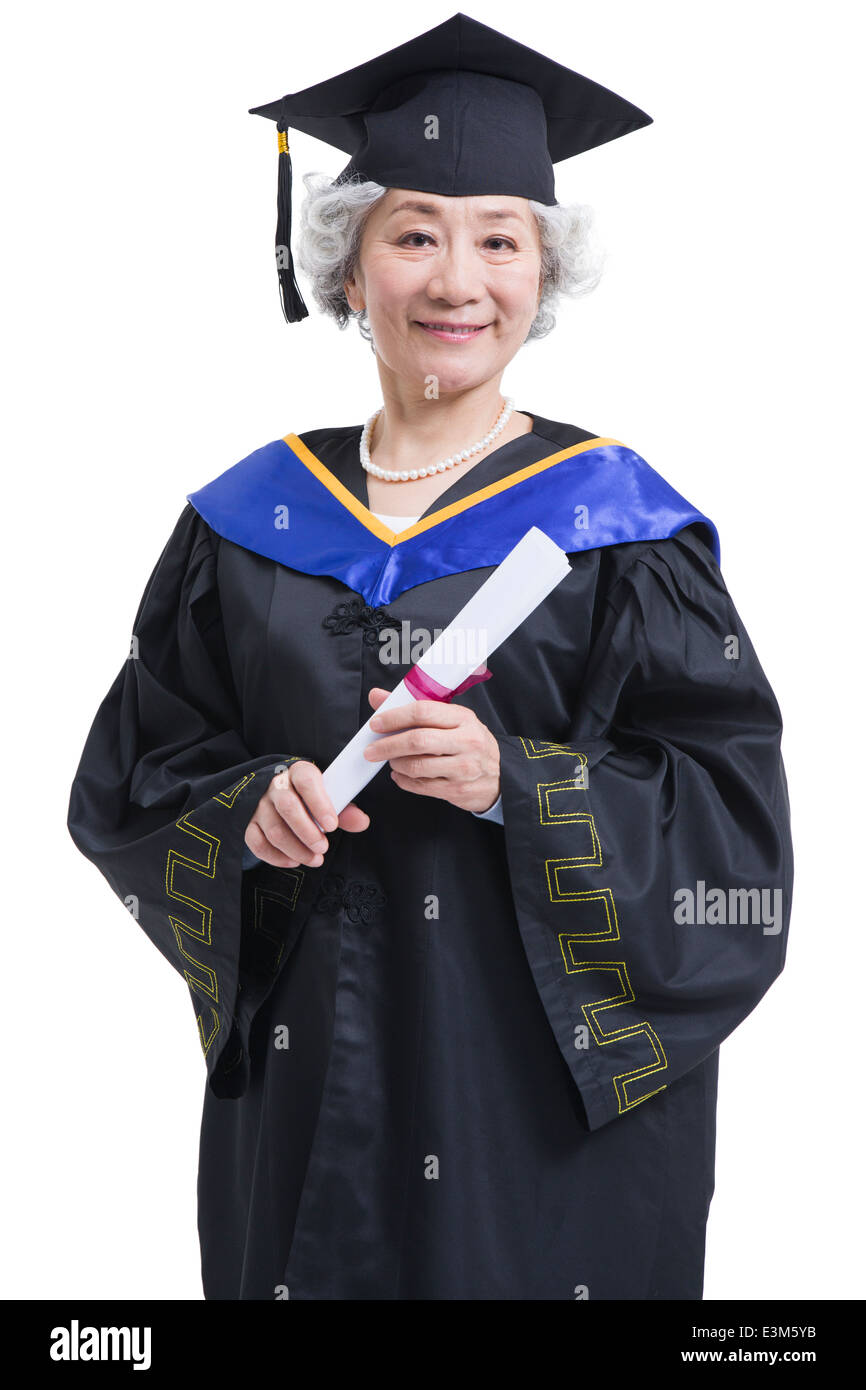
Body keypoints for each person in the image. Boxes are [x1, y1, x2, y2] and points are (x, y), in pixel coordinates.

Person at [67, 12, 793, 1300]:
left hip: (542, 1129)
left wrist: (517, 785)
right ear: (347, 267)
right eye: (414, 233)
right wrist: (249, 814)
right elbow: (133, 782)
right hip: (307, 1102)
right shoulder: (246, 523)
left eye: (500, 239)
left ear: (543, 276)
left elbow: (731, 839)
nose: (459, 280)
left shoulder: (616, 527)